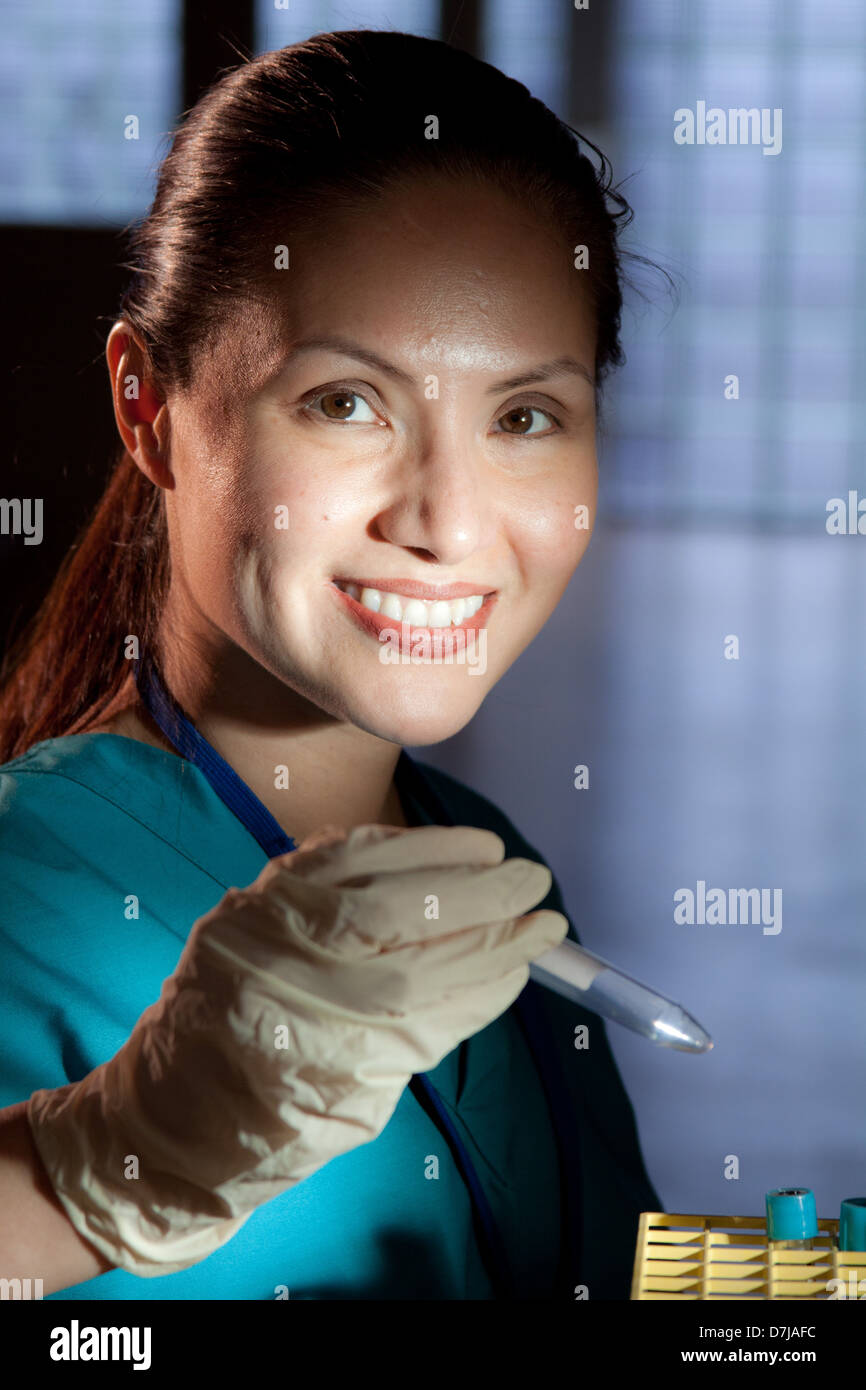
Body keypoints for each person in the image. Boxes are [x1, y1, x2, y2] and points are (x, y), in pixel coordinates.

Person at [0, 29, 663, 1301]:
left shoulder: (483, 867)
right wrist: (91, 1170)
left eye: (523, 417)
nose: (449, 522)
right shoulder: (29, 894)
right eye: (345, 403)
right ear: (149, 409)